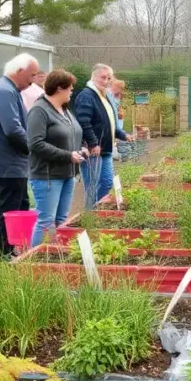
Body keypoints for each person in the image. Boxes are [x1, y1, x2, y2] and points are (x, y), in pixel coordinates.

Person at [0, 53, 39, 257]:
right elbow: (13, 129)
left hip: (13, 162)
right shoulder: (5, 91)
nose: (33, 80)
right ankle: (2, 253)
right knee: (9, 209)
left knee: (19, 205)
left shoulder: (10, 89)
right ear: (19, 71)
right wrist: (34, 148)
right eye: (31, 75)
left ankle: (10, 249)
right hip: (8, 163)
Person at [28, 69, 86, 245]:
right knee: (45, 221)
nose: (72, 92)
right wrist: (68, 155)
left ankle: (57, 257)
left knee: (62, 220)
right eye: (70, 88)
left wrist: (81, 148)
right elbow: (35, 143)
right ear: (60, 88)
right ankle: (35, 262)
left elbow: (72, 133)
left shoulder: (65, 109)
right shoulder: (39, 110)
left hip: (68, 174)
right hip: (48, 176)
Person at [74, 63, 128, 202]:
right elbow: (83, 122)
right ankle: (90, 218)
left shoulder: (104, 96)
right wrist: (93, 143)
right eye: (102, 77)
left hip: (105, 150)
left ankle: (97, 211)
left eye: (109, 78)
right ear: (93, 77)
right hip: (93, 151)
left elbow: (107, 122)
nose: (106, 81)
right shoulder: (87, 95)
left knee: (106, 183)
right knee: (92, 186)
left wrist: (122, 134)